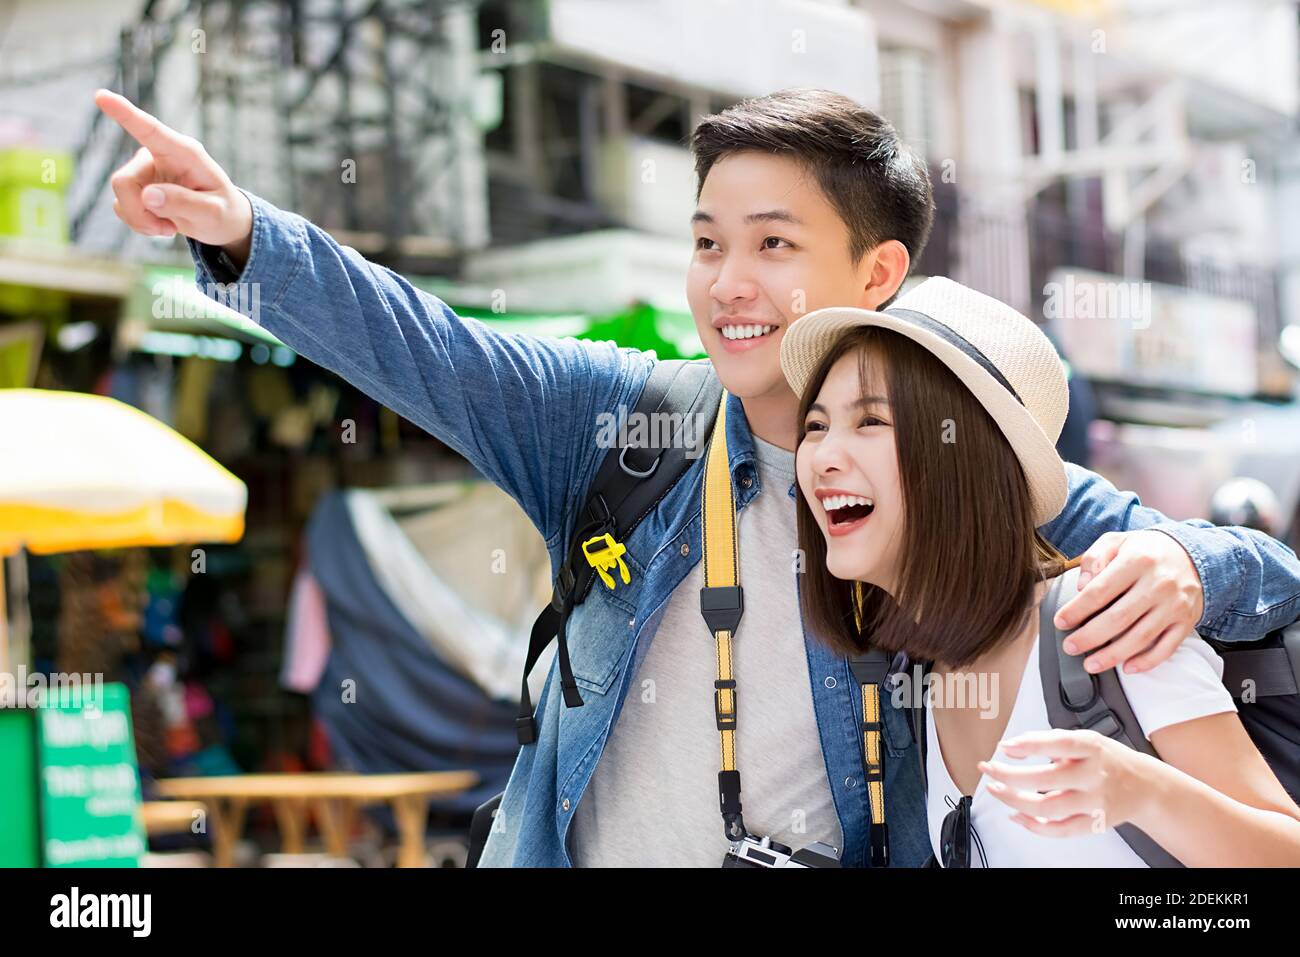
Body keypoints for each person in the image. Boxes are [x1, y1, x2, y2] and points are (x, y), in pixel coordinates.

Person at [96, 85, 1300, 867]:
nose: (726, 283)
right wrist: (243, 235)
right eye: (708, 242)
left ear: (877, 272)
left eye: (774, 245)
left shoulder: (964, 468)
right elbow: (431, 346)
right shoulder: (627, 425)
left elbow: (1254, 579)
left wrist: (1188, 558)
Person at [785, 278, 1300, 866]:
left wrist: (1143, 791)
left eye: (871, 422)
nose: (823, 456)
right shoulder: (918, 678)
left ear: (965, 460)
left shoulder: (1104, 618)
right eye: (817, 426)